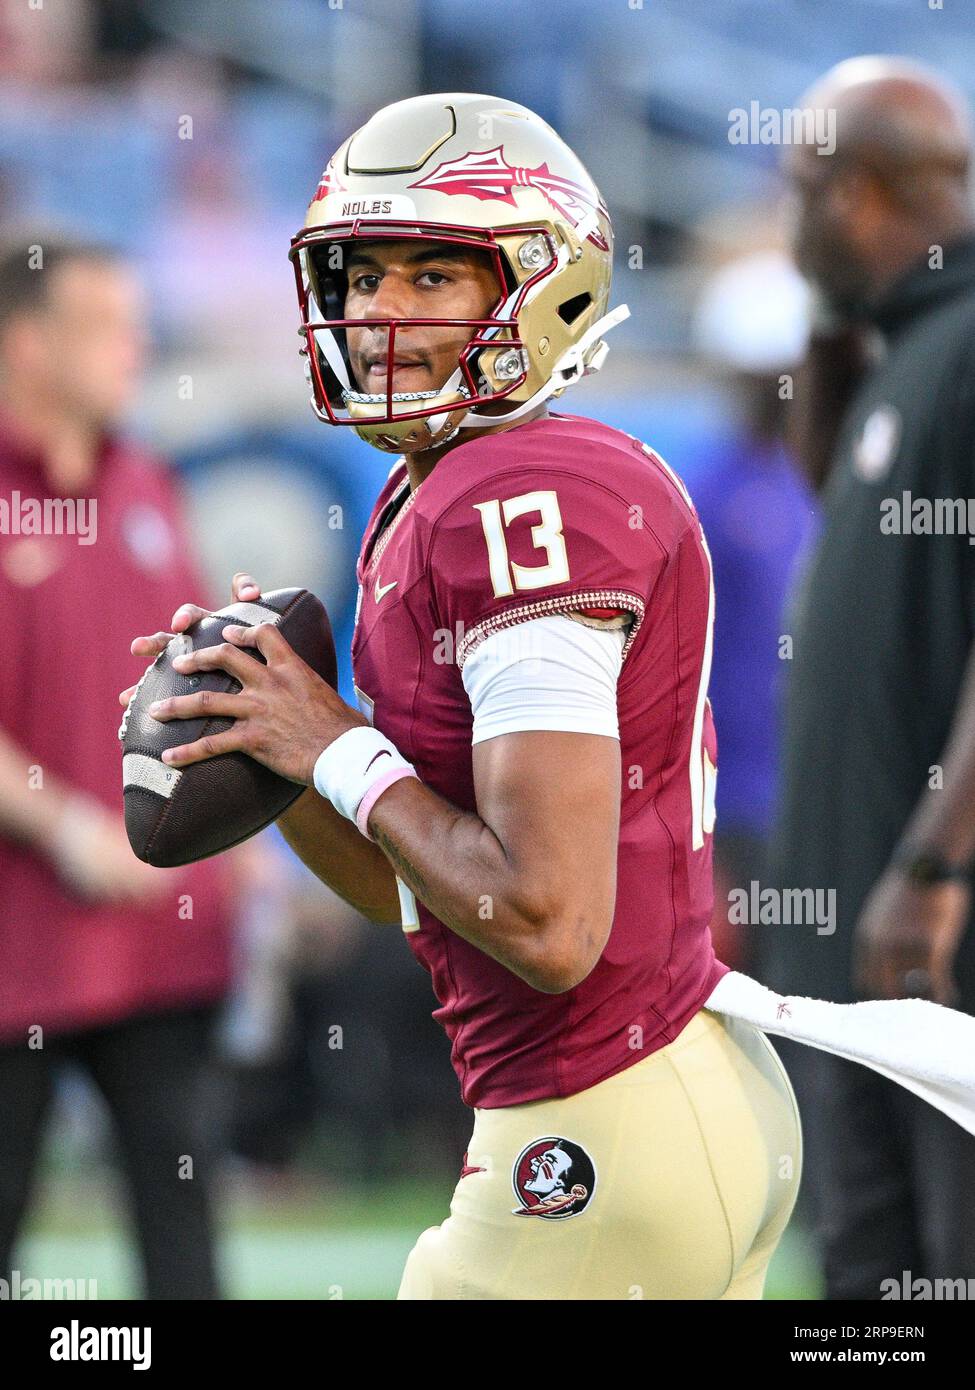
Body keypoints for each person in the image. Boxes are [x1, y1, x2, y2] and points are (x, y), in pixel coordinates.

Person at [121, 93, 803, 1301]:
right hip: (646, 1103)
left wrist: (333, 738)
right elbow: (427, 893)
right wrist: (274, 747)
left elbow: (545, 921)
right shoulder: (454, 487)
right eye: (364, 273)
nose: (381, 311)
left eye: (434, 277)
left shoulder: (518, 497)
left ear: (548, 292)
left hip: (602, 1127)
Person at [763, 56, 975, 1297]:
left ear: (858, 194)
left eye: (798, 186)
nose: (784, 219)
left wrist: (937, 867)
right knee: (868, 1282)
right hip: (863, 944)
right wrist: (833, 333)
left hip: (933, 940)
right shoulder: (904, 349)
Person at [0, 238, 232, 1298]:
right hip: (18, 944)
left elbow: (199, 686)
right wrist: (70, 827)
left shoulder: (146, 478)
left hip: (160, 936)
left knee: (182, 1229)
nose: (136, 348)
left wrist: (252, 840)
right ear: (26, 340)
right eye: (107, 325)